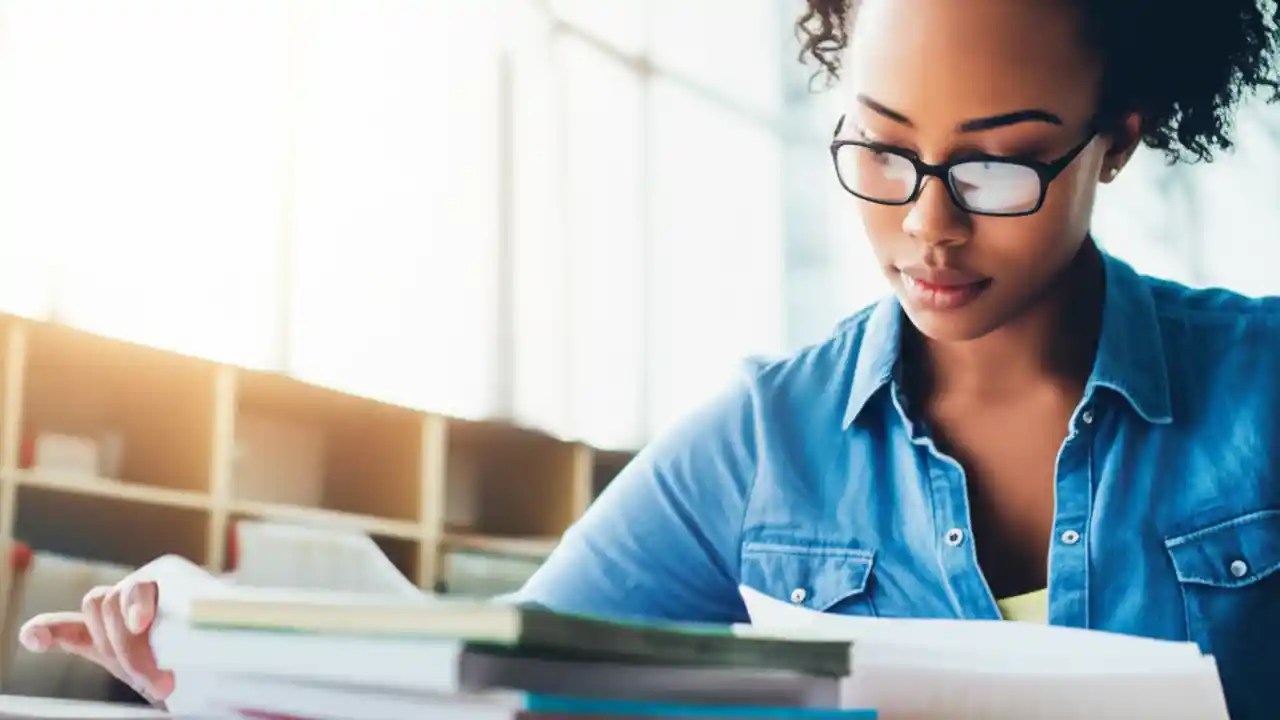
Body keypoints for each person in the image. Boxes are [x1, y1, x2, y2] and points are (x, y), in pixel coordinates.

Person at [19, 0, 1280, 716]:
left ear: (1116, 140)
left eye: (996, 166)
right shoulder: (759, 442)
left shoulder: (1262, 386)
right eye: (878, 150)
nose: (924, 223)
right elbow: (493, 673)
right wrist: (226, 651)